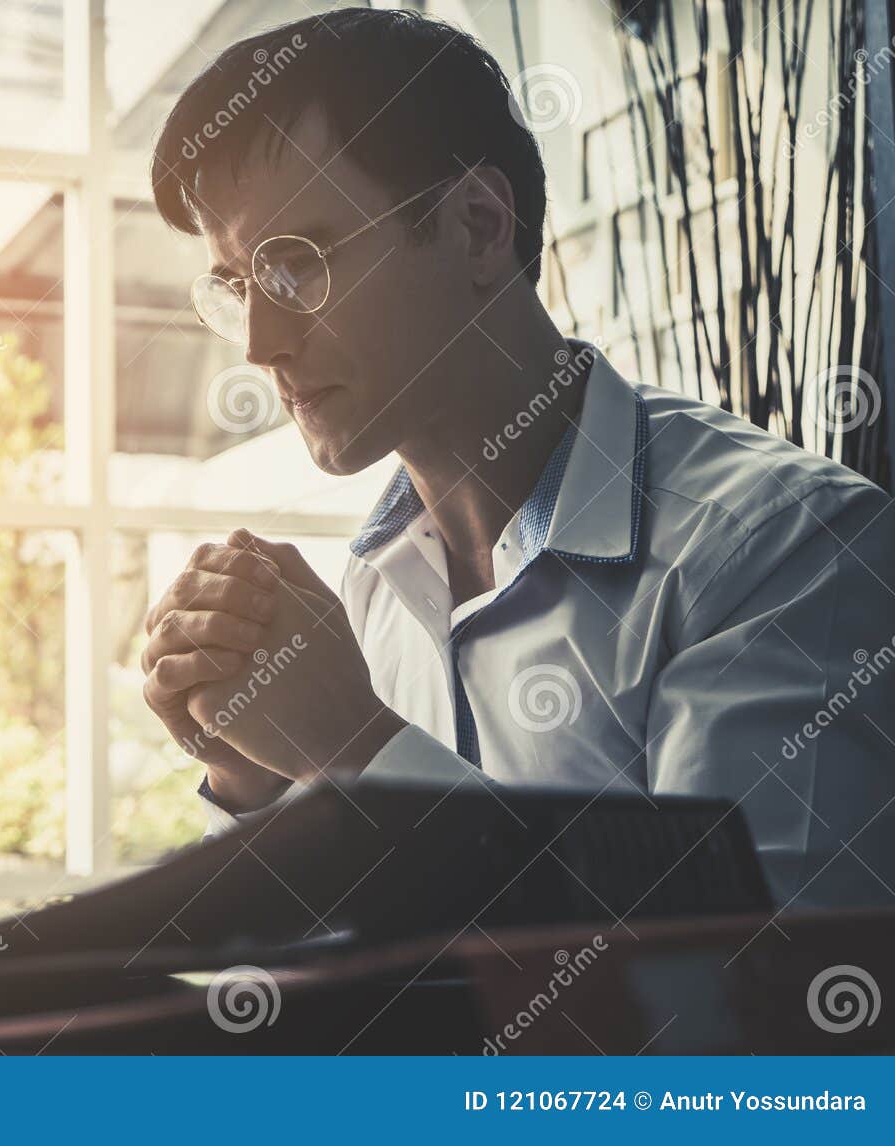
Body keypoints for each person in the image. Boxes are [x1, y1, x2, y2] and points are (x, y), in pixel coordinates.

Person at [140, 7, 895, 910]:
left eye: (297, 264)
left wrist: (354, 750)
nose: (259, 342)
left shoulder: (786, 550)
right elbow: (372, 993)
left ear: (478, 226)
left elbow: (741, 1003)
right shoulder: (378, 585)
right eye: (236, 286)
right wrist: (250, 780)